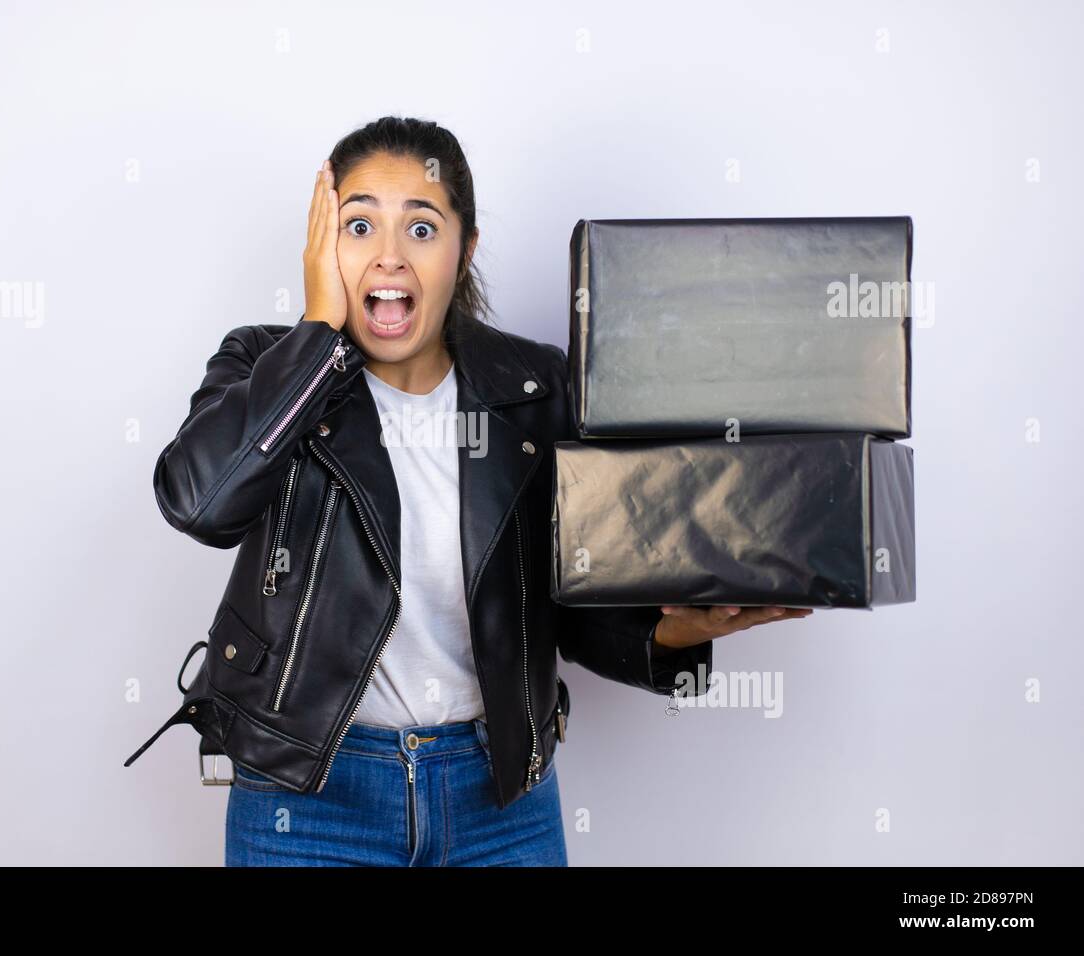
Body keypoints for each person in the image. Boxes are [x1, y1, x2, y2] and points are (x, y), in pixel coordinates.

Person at [137, 116, 812, 866]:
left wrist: (676, 639)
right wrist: (319, 333)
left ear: (465, 251)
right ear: (323, 249)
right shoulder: (267, 367)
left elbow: (563, 604)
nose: (389, 255)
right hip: (307, 795)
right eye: (358, 226)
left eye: (421, 230)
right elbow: (198, 502)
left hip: (500, 794)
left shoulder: (536, 388)